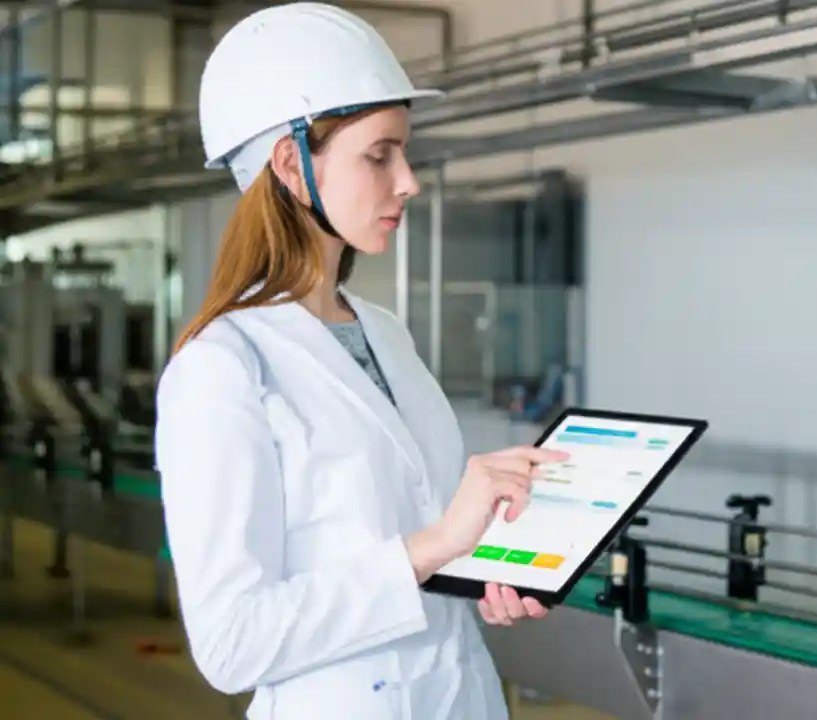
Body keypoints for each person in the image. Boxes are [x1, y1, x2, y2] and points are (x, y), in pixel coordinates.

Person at [153, 3, 567, 718]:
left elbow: (408, 534)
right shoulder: (223, 365)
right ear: (290, 165)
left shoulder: (384, 333)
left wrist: (481, 564)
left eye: (403, 152)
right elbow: (231, 644)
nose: (408, 180)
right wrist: (434, 547)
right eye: (379, 155)